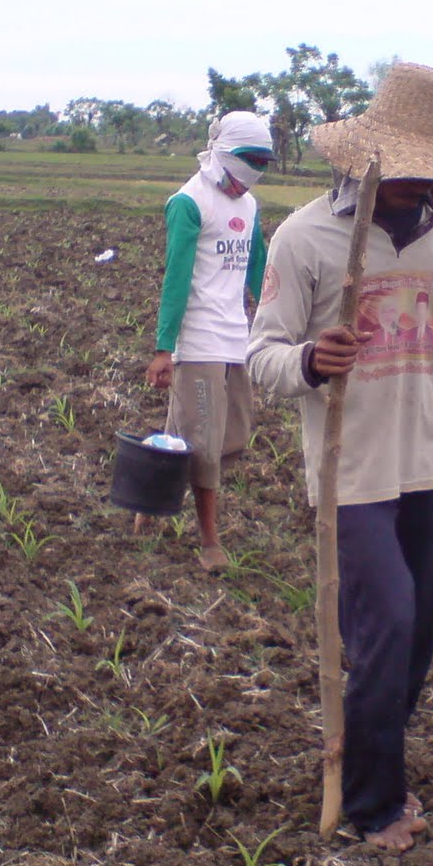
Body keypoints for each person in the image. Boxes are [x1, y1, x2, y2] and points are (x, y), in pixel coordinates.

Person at [246, 62, 433, 853]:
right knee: (385, 624)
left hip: (430, 465)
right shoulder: (306, 237)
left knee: (418, 633)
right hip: (350, 475)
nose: (421, 192)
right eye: (409, 176)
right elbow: (258, 358)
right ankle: (372, 807)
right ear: (370, 160)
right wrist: (313, 362)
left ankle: (377, 765)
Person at [146, 111, 273, 571]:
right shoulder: (188, 202)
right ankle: (208, 541)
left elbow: (256, 263)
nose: (253, 171)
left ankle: (147, 501)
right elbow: (175, 278)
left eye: (263, 161)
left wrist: (272, 312)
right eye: (248, 159)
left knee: (228, 434)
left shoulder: (250, 205)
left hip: (235, 336)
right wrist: (165, 348)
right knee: (203, 441)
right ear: (221, 153)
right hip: (198, 339)